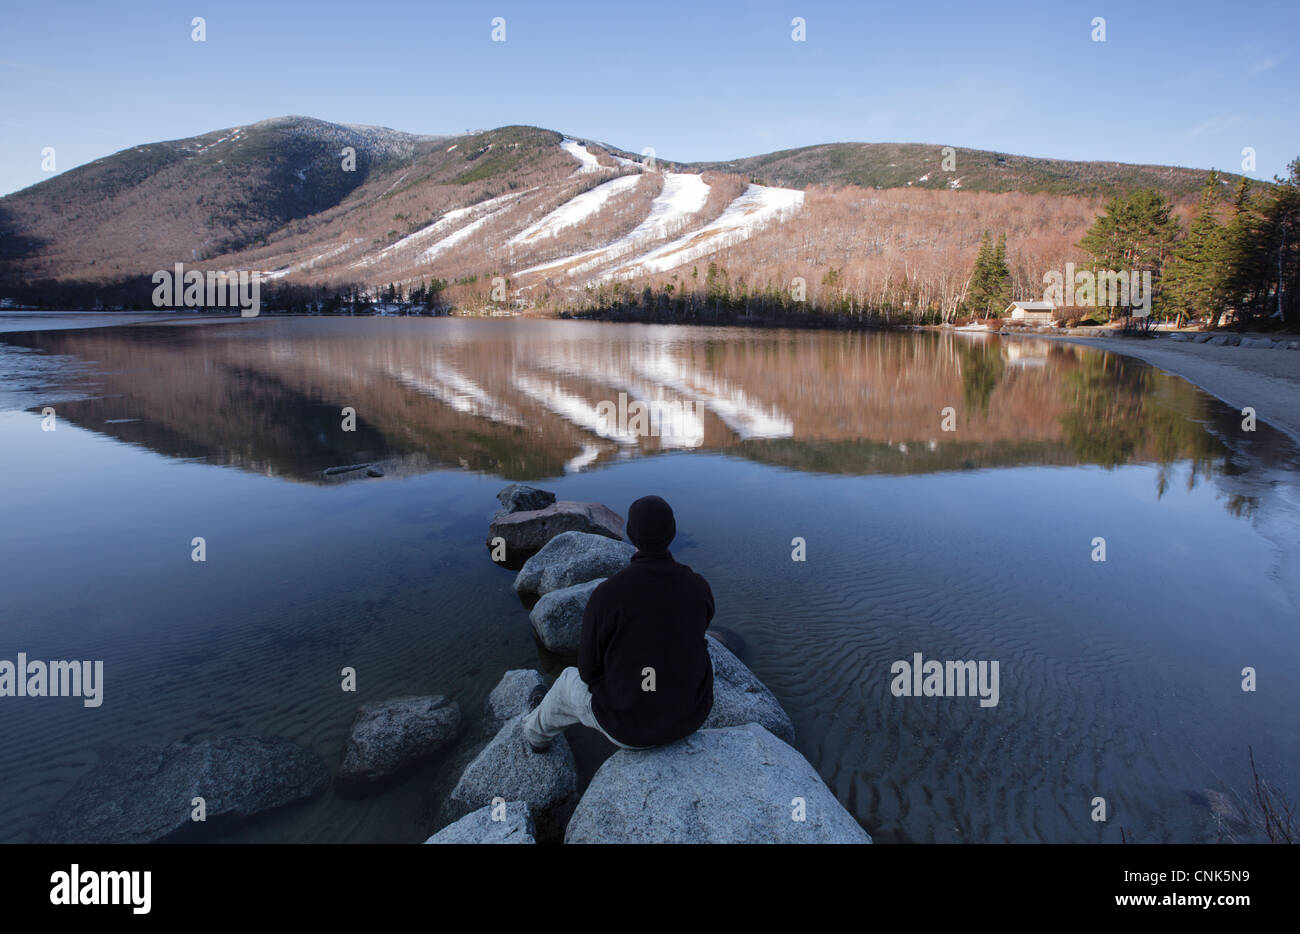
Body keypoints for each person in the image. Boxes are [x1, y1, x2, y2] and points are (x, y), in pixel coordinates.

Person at [522, 495, 714, 753]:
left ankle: (534, 734)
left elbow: (588, 671)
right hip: (690, 718)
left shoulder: (607, 595)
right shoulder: (698, 586)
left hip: (629, 729)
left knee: (568, 679)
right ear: (672, 532)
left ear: (630, 534)